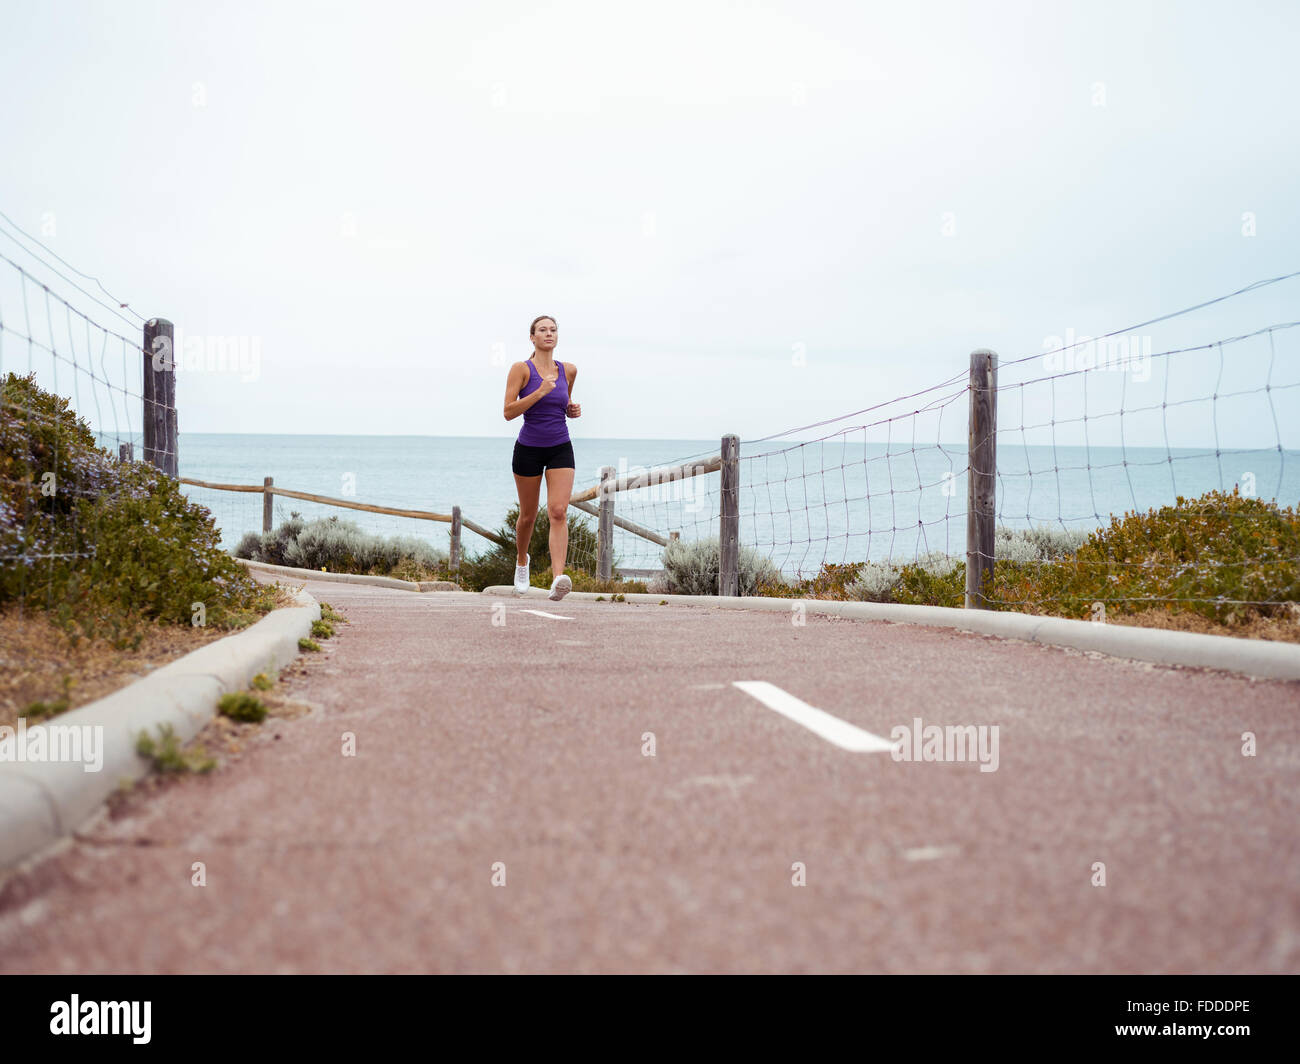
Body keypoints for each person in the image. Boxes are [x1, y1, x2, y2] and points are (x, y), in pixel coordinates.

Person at [502, 314, 581, 599]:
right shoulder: (521, 370)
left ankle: (558, 578)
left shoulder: (568, 370)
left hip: (560, 445)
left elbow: (563, 405)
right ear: (532, 338)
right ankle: (522, 561)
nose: (549, 334)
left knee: (558, 511)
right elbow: (509, 412)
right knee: (528, 515)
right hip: (529, 448)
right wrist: (540, 391)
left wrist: (571, 410)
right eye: (542, 330)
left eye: (553, 329)